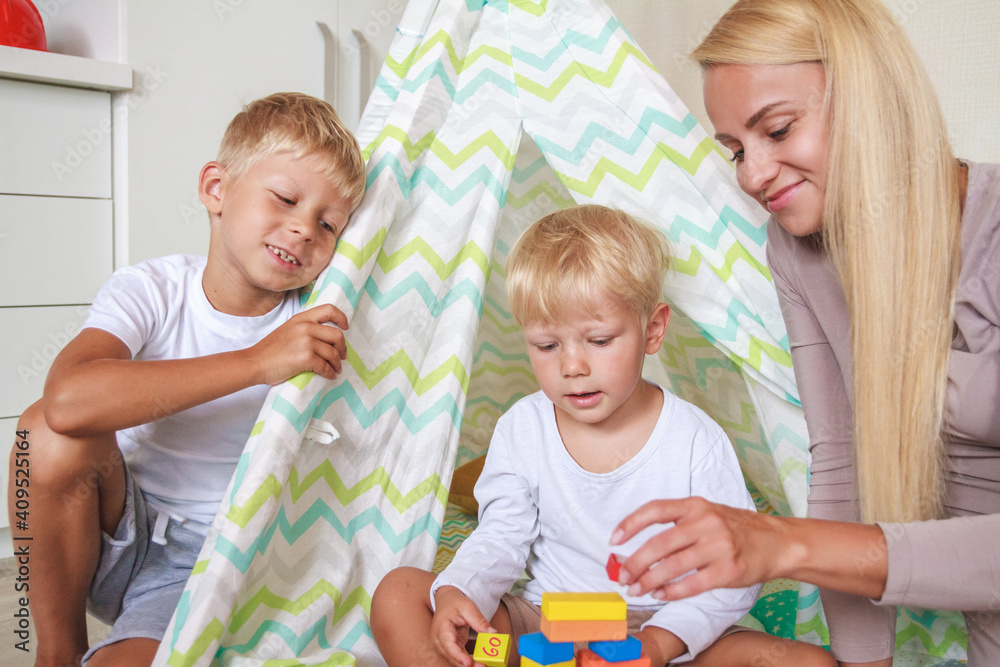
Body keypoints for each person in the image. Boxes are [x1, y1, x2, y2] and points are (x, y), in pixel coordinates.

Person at [612, 1, 1000, 665]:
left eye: (779, 130)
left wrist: (783, 542)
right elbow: (842, 469)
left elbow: (815, 536)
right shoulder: (798, 252)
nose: (754, 175)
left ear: (870, 101)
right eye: (735, 149)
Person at [369, 206, 835, 667]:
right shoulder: (522, 427)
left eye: (599, 340)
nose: (573, 367)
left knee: (808, 662)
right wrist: (459, 592)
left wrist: (657, 643)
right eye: (548, 346)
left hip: (667, 631)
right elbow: (500, 536)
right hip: (548, 626)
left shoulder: (696, 440)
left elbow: (734, 572)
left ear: (652, 330)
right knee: (399, 593)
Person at [7, 92, 367, 667]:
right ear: (216, 189)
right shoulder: (153, 289)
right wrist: (256, 362)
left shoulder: (312, 322)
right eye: (285, 199)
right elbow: (67, 401)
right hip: (113, 533)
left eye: (328, 225)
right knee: (39, 433)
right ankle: (55, 651)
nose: (302, 229)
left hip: (209, 563)